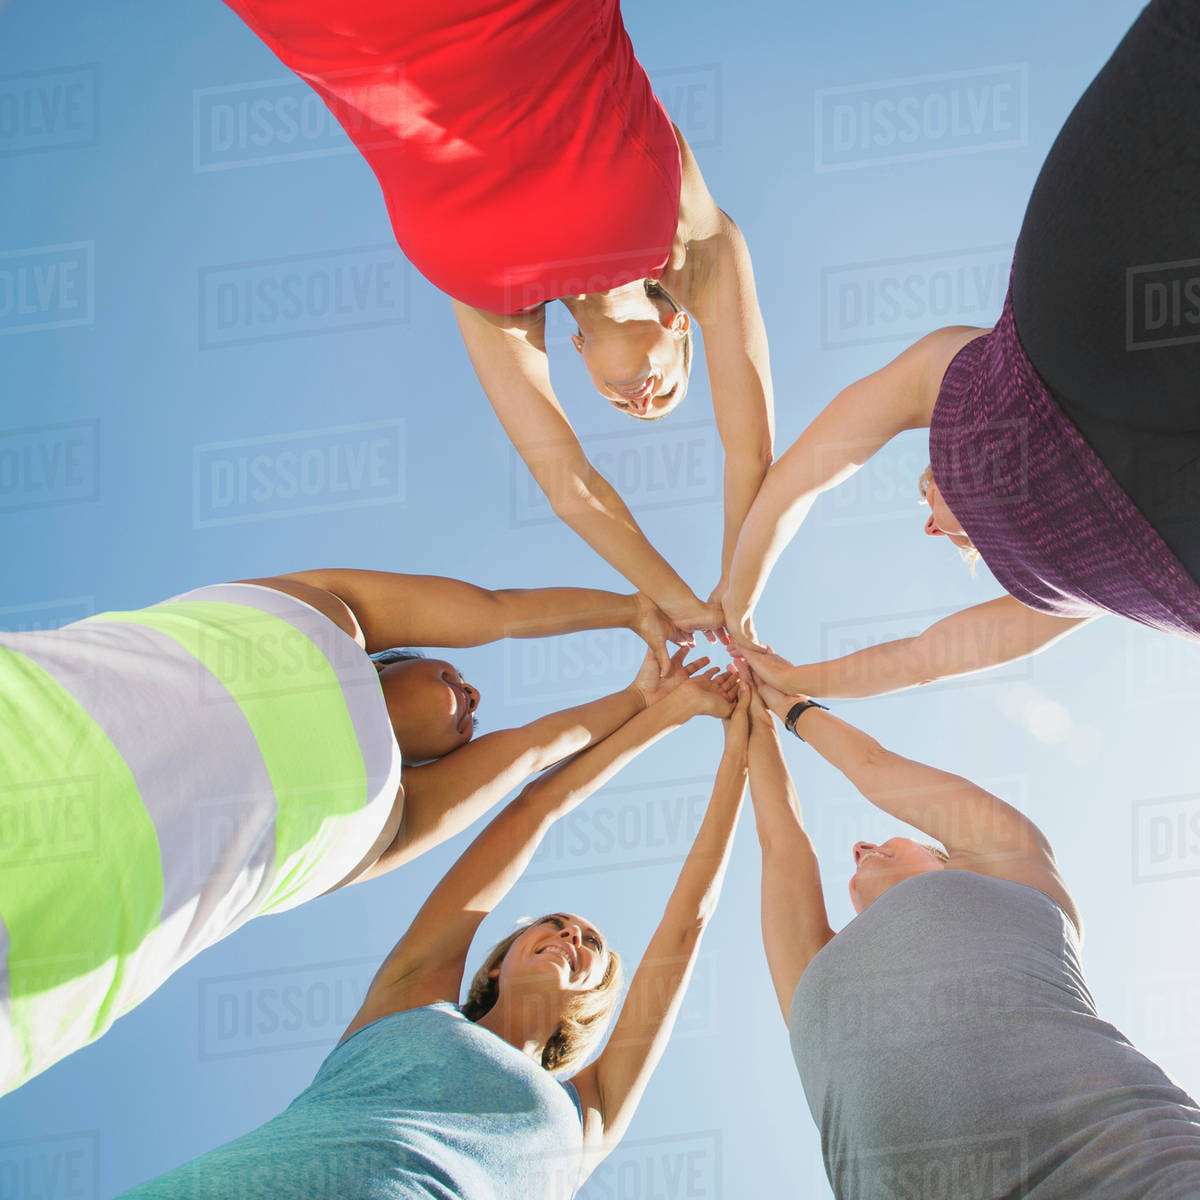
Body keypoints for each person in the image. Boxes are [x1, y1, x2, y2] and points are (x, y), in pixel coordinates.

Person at [0, 566, 693, 1096]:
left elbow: (535, 759)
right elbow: (497, 612)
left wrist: (639, 701)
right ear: (396, 657)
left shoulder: (387, 820)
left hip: (50, 957)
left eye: (473, 722)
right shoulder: (327, 614)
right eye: (452, 673)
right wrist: (633, 609)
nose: (474, 698)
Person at [219, 0, 774, 634]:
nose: (642, 402)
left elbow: (571, 488)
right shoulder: (691, 244)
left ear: (577, 355)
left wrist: (686, 604)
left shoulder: (500, 312)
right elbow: (748, 445)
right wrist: (740, 580)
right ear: (680, 327)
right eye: (671, 388)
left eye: (621, 408)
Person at [116, 658, 748, 1198]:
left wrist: (739, 755)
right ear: (496, 962)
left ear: (597, 993)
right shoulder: (413, 995)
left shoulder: (591, 1117)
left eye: (591, 946)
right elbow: (534, 808)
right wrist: (662, 711)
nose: (570, 938)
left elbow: (687, 924)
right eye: (555, 925)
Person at [723, 0, 1200, 694]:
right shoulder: (1051, 601)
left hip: (1075, 348)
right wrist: (794, 681)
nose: (930, 524)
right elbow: (923, 657)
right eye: (948, 536)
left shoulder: (943, 378)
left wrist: (738, 598)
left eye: (925, 492)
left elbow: (807, 471)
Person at [744, 675, 1200, 1198]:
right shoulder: (810, 967)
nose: (860, 848)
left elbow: (871, 764)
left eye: (892, 839)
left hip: (1125, 1169)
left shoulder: (1008, 865)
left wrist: (789, 706)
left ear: (947, 855)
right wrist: (748, 720)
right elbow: (780, 840)